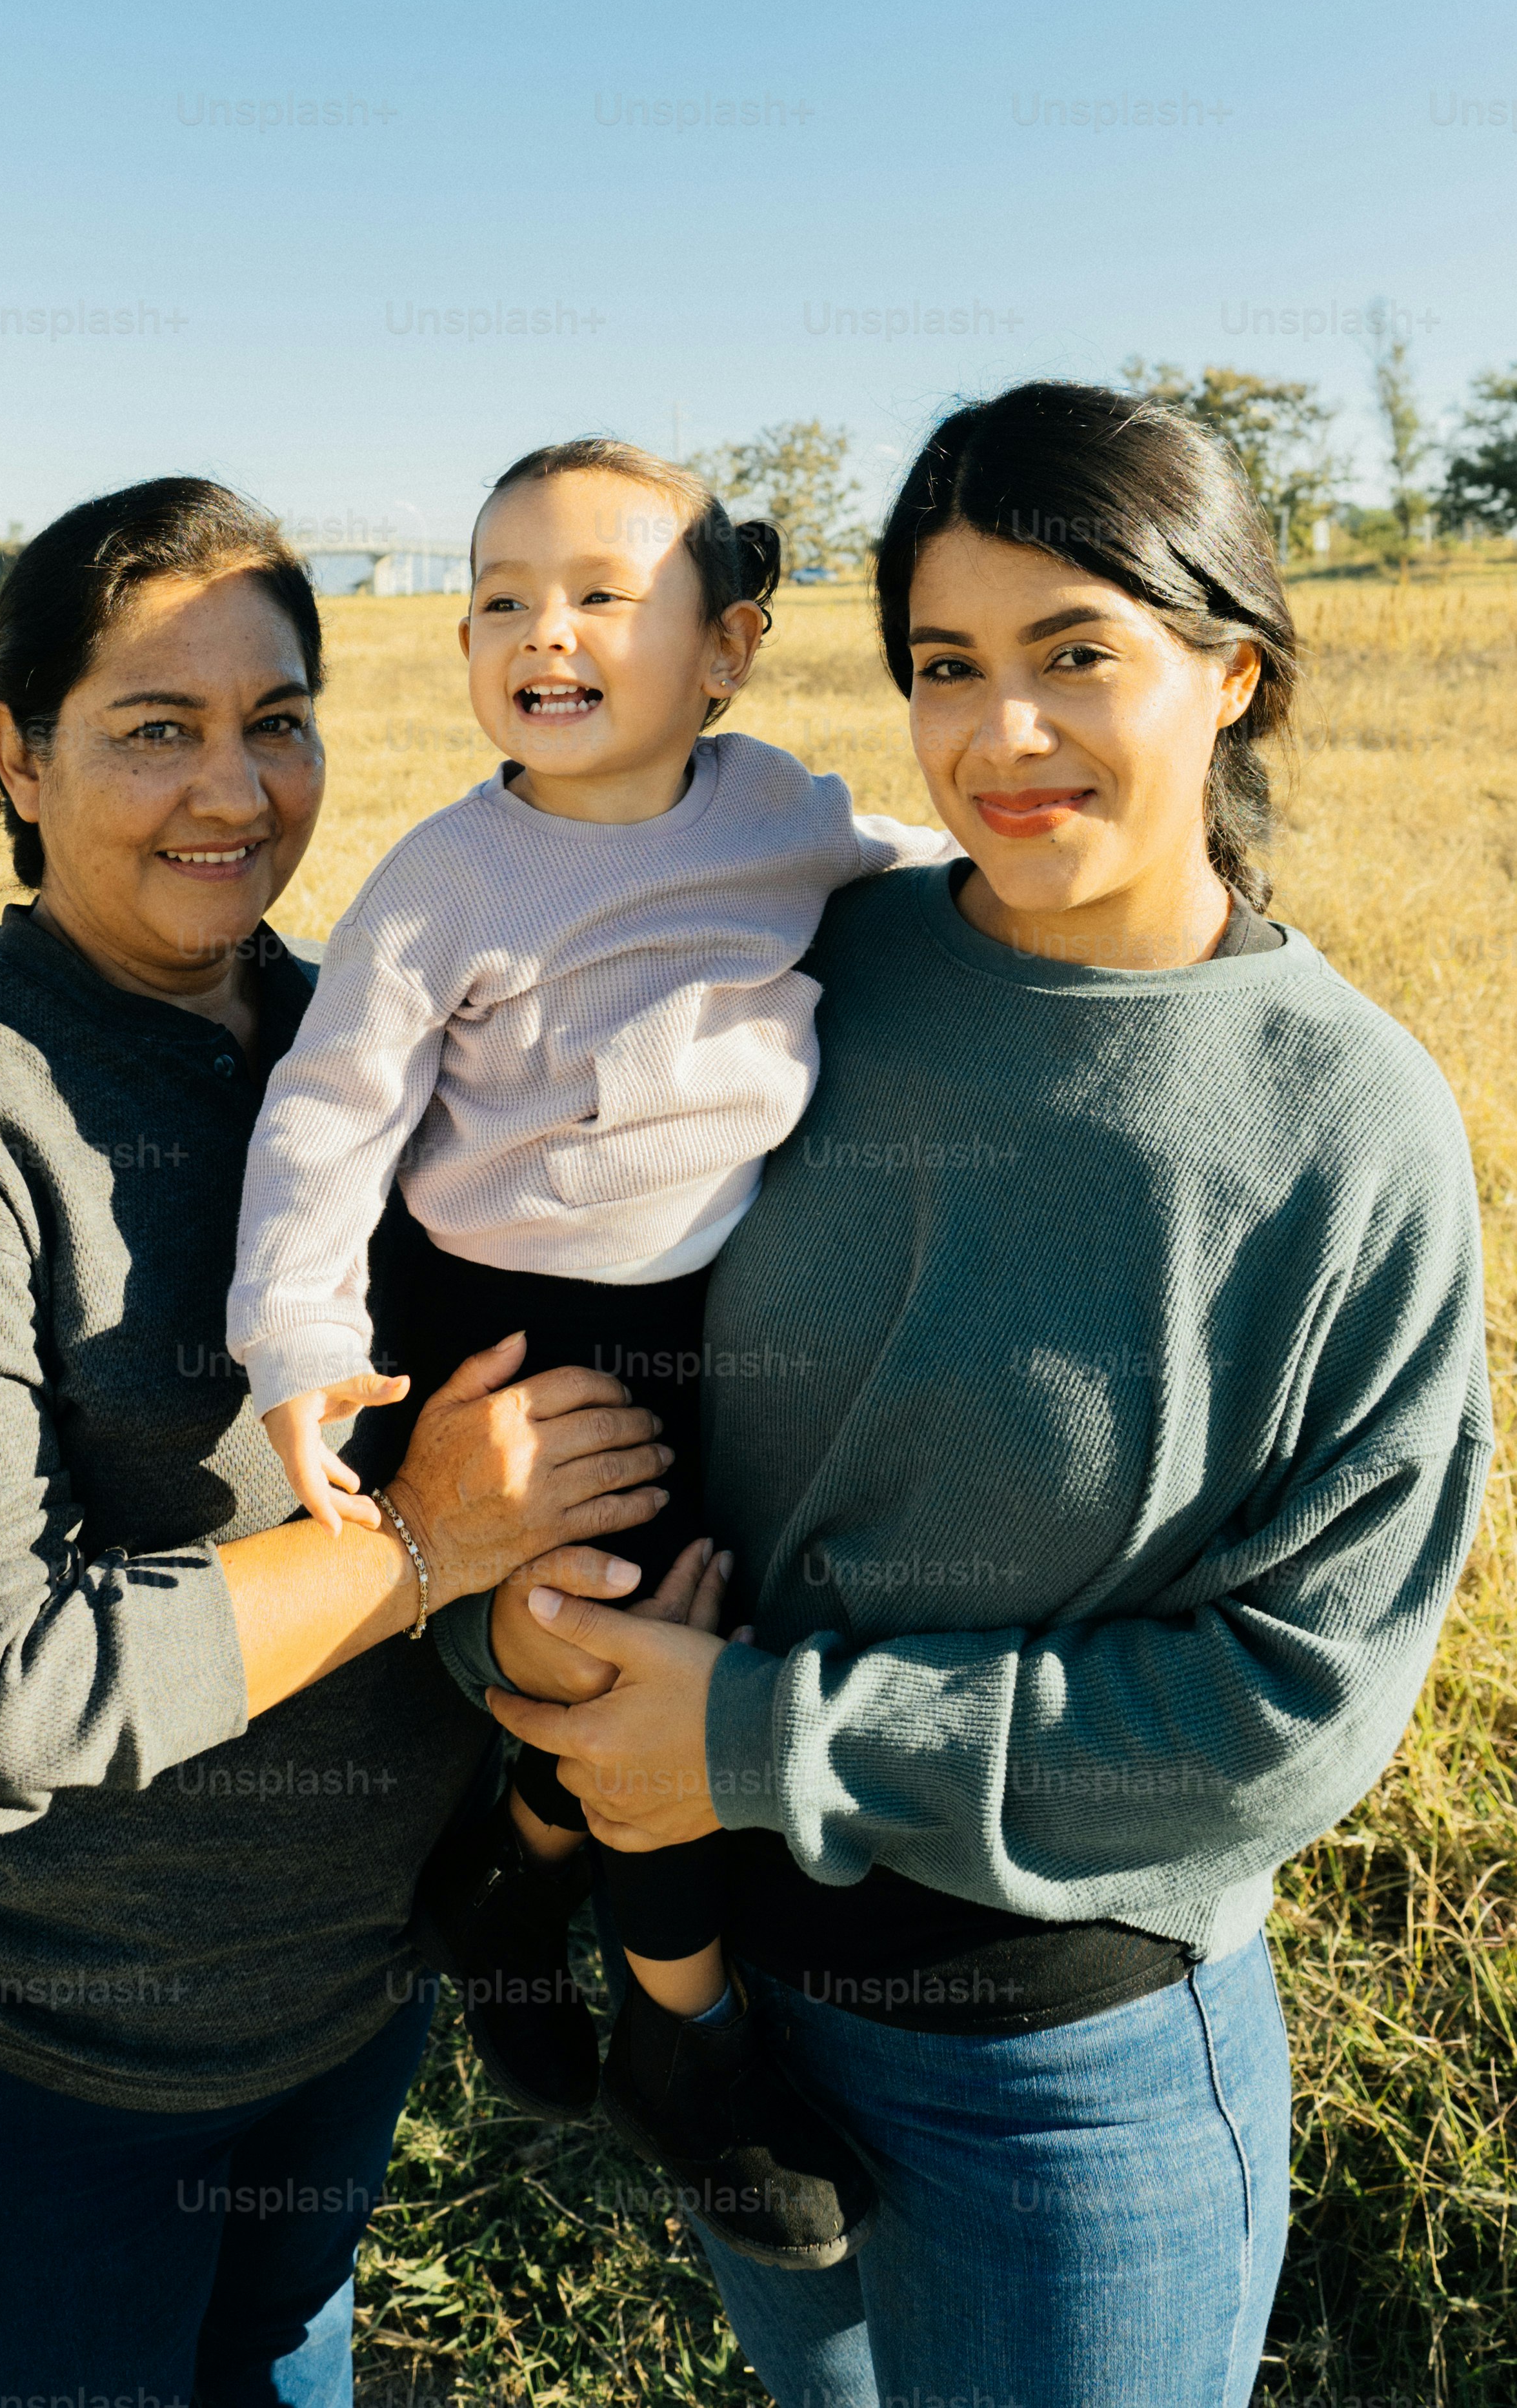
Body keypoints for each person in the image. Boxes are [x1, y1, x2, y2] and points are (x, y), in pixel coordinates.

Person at [479, 382, 1492, 2406]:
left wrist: (752, 1738)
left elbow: (1288, 1708)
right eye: (944, 665)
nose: (998, 734)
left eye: (1073, 654)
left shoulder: (1344, 1124)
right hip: (729, 2011)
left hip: (1067, 2075)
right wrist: (502, 1597)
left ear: (1232, 673)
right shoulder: (794, 966)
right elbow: (553, 1298)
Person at [0, 477, 678, 2408]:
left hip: (346, 2006)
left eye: (276, 720)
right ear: (16, 754)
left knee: (290, 2369)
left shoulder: (367, 1044)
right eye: (154, 728)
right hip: (38, 2067)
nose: (233, 791)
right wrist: (417, 1546)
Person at [226, 437, 951, 2263]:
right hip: (520, 1328)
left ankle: (515, 1882)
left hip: (716, 1317)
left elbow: (912, 859)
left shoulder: (773, 809)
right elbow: (329, 1112)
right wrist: (300, 1338)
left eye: (599, 597)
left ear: (727, 648)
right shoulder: (448, 880)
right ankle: (681, 2044)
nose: (540, 632)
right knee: (642, 1651)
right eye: (499, 600)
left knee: (723, 1614)